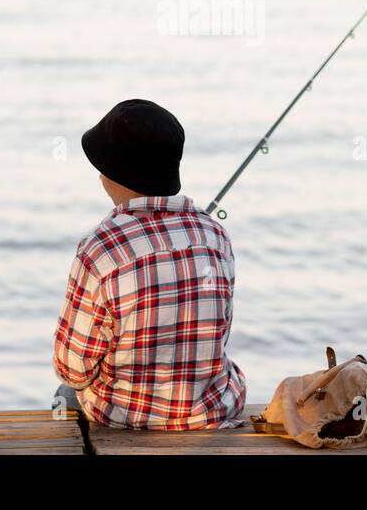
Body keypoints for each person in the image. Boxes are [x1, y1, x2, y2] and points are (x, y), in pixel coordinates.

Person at [52, 99, 246, 429]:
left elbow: (74, 368)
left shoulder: (101, 248)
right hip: (211, 412)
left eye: (101, 166)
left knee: (64, 392)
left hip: (127, 417)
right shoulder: (216, 235)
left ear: (113, 174)